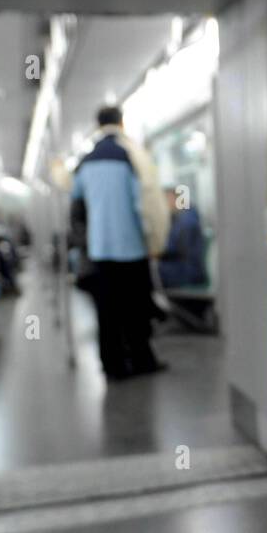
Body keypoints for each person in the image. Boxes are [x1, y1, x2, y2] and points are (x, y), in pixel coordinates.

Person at [70, 105, 168, 379]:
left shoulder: (85, 161)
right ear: (121, 123)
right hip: (132, 247)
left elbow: (75, 199)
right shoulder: (131, 156)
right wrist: (154, 240)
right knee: (137, 309)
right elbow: (144, 205)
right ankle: (142, 360)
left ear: (98, 125)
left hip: (100, 249)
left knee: (107, 311)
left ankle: (112, 365)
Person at [156, 186, 208, 288]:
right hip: (186, 268)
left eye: (165, 200)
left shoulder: (186, 221)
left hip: (188, 272)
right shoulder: (183, 218)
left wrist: (158, 251)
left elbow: (176, 248)